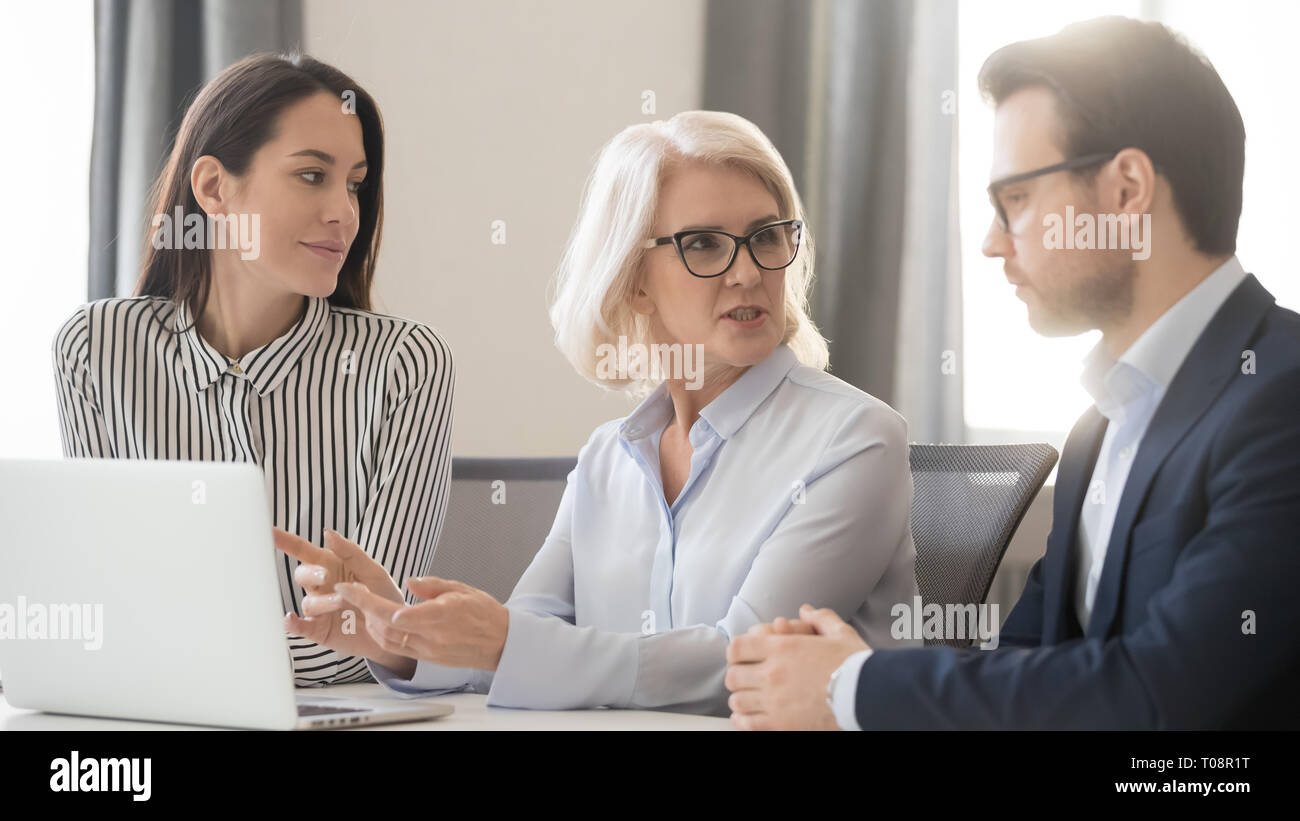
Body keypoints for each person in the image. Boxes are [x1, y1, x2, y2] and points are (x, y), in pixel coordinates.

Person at [725, 15, 1300, 730]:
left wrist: (854, 688)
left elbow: (1165, 697)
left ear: (1126, 191)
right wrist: (846, 666)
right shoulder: (1101, 427)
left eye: (1017, 200)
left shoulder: (1282, 395)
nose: (994, 243)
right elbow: (1028, 661)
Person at [274, 110, 919, 715]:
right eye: (702, 244)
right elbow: (530, 634)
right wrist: (399, 632)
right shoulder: (609, 456)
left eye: (766, 237)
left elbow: (748, 665)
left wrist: (504, 642)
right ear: (633, 279)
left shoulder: (855, 438)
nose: (747, 273)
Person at [51, 53, 455, 686]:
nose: (345, 213)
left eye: (353, 183)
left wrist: (171, 659)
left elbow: (375, 631)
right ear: (213, 188)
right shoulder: (96, 349)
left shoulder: (404, 365)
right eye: (312, 175)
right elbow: (108, 593)